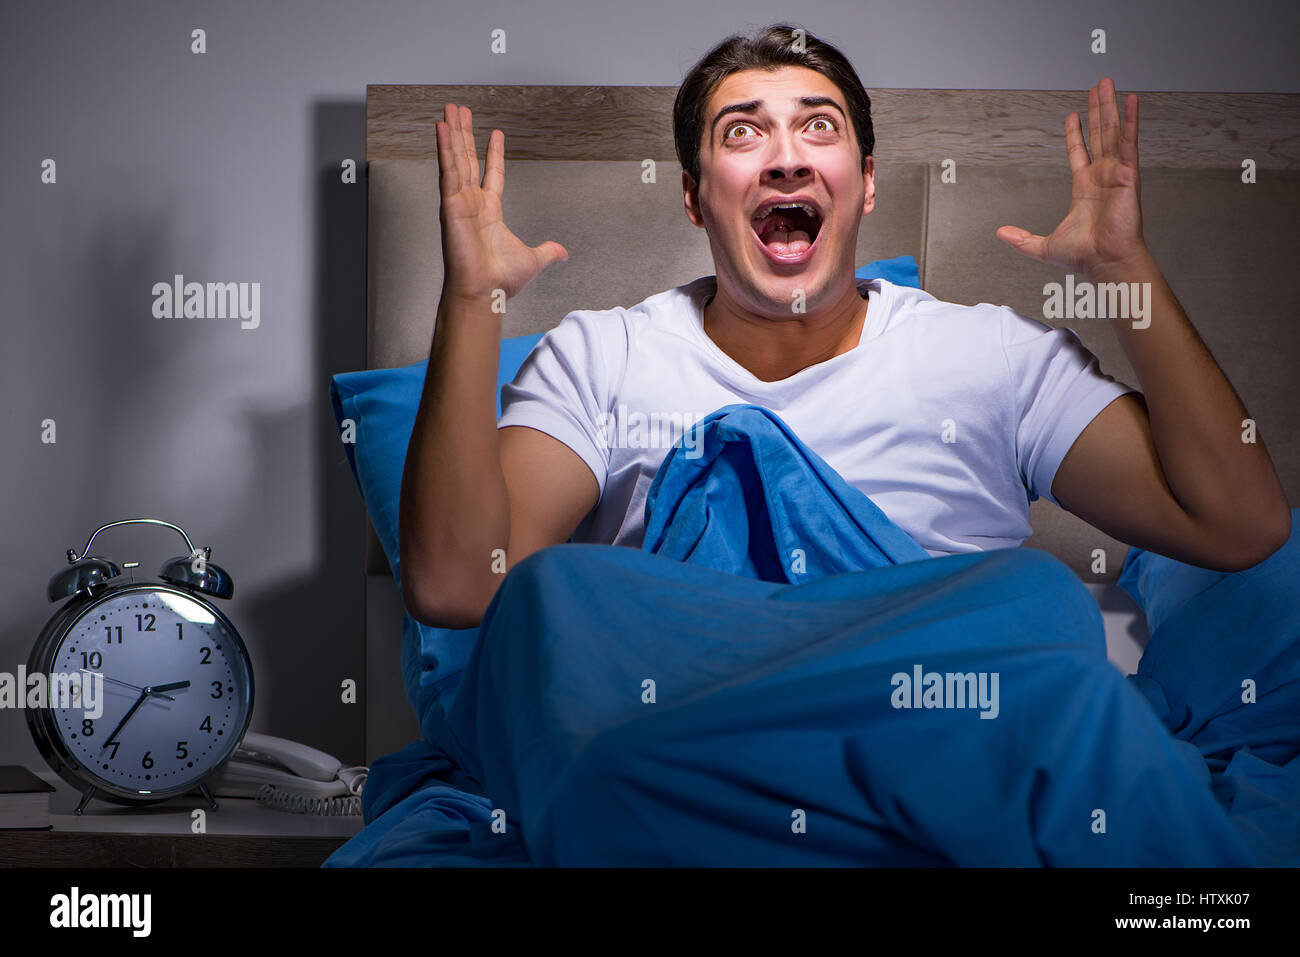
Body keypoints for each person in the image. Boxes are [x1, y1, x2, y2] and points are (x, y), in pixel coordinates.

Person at [399, 22, 1290, 630]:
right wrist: (472, 302)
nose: (786, 156)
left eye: (817, 127)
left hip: (941, 737)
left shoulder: (995, 358)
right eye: (742, 133)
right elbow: (456, 586)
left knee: (1035, 601)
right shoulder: (602, 359)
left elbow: (1238, 526)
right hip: (694, 732)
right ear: (694, 196)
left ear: (864, 182)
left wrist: (1124, 273)